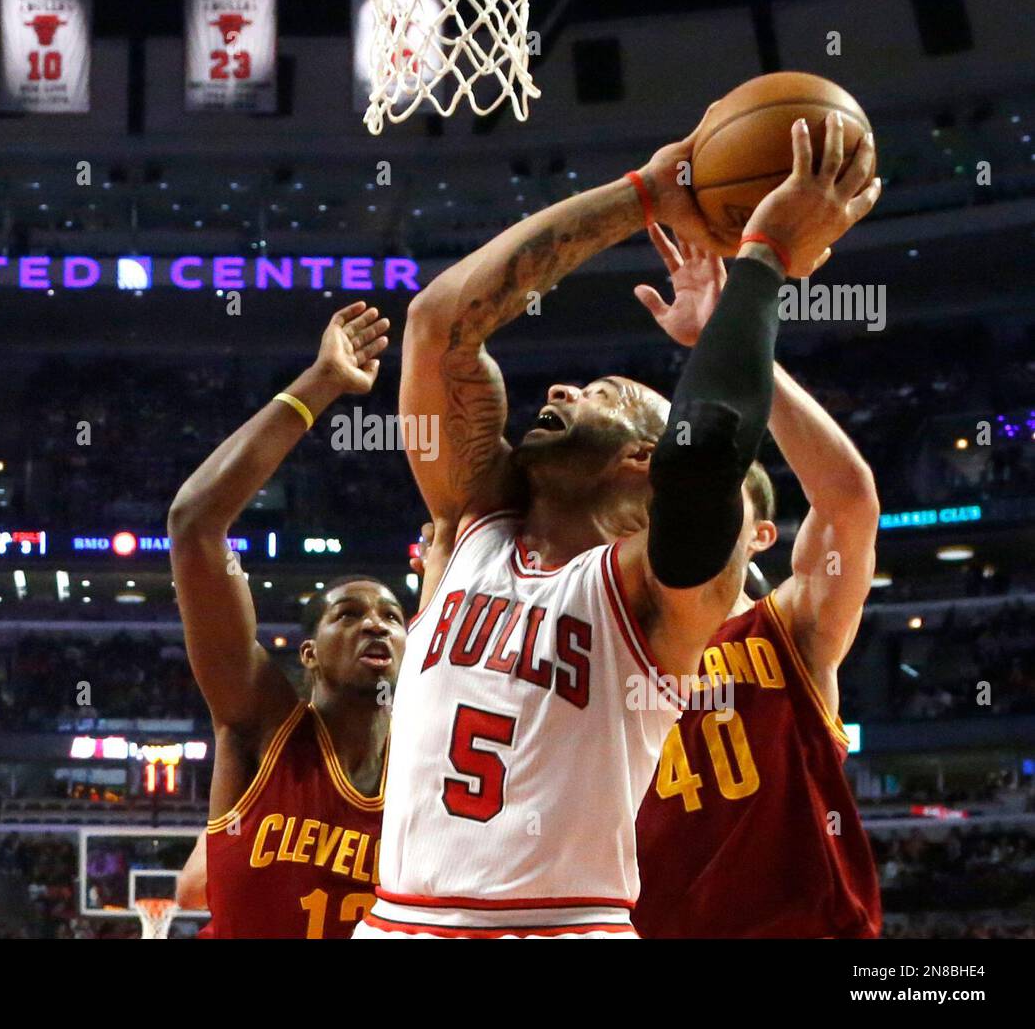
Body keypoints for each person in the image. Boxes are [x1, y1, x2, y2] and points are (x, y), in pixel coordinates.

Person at [358, 112, 881, 938]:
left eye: (598, 391)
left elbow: (711, 448)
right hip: (398, 923)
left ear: (644, 456)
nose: (561, 389)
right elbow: (438, 324)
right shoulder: (473, 524)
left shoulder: (657, 596)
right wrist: (646, 192)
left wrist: (763, 263)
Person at [629, 224, 882, 937]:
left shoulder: (791, 628)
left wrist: (734, 339)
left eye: (724, 488)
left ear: (763, 533)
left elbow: (850, 501)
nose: (697, 497)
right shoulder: (618, 635)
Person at [169, 302, 405, 938]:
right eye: (348, 614)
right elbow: (195, 527)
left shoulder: (436, 766)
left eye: (391, 615)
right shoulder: (261, 725)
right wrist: (320, 385)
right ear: (308, 653)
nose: (375, 625)